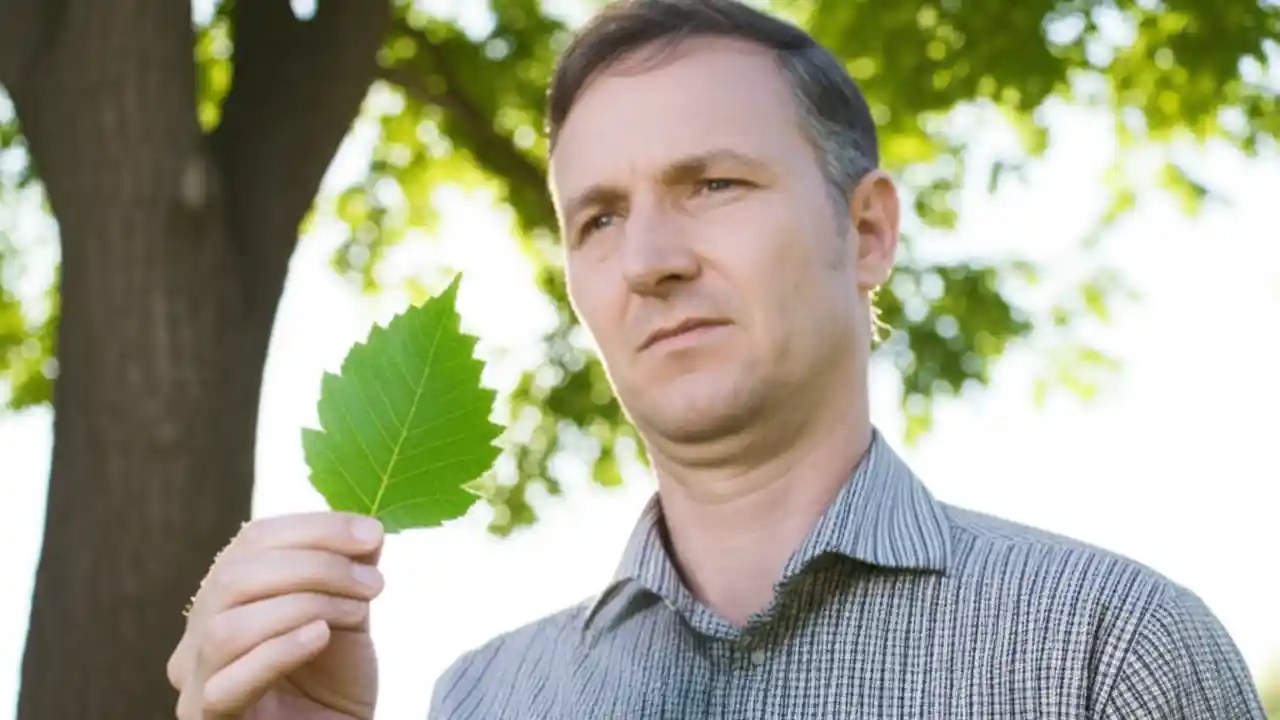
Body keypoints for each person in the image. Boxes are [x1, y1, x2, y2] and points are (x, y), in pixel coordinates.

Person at [166, 0, 1268, 717]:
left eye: (712, 185)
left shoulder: (1108, 654)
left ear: (866, 231)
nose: (647, 260)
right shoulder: (481, 698)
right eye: (597, 218)